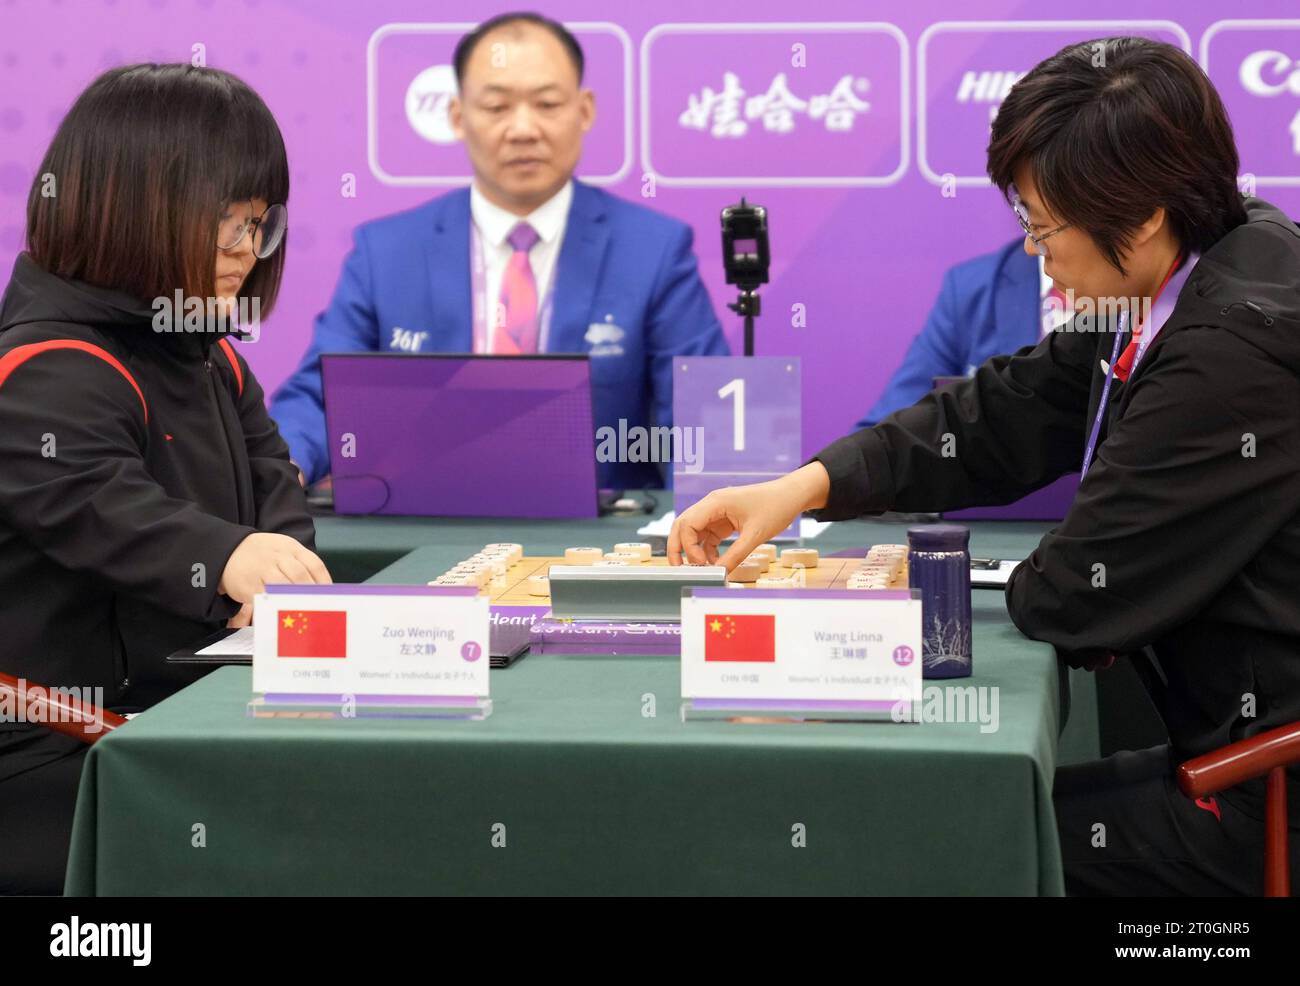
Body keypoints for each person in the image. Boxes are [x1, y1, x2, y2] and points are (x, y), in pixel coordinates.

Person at [669, 37, 1300, 896]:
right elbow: (1003, 410)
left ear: (1144, 212)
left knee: (931, 847)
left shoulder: (1231, 351)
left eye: (1045, 227)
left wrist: (905, 594)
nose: (1037, 254)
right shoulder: (1197, 258)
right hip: (1230, 754)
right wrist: (805, 487)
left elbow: (1076, 597)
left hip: (1263, 802)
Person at [0, 63, 329, 894]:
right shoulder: (42, 366)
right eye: (225, 223)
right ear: (130, 204)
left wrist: (277, 566)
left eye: (260, 224)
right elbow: (96, 501)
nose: (246, 252)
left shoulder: (211, 349)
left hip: (182, 722)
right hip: (53, 752)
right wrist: (227, 557)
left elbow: (276, 486)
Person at [270, 12, 729, 490]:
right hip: (424, 531)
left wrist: (714, 506)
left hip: (593, 545)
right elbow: (321, 398)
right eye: (496, 106)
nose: (523, 129)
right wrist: (284, 472)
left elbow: (705, 422)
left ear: (585, 110)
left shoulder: (653, 250)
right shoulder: (385, 253)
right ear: (456, 116)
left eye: (547, 103)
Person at [856, 243, 1066, 427]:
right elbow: (889, 429)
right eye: (1028, 216)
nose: (1030, 245)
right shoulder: (969, 289)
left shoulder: (1095, 308)